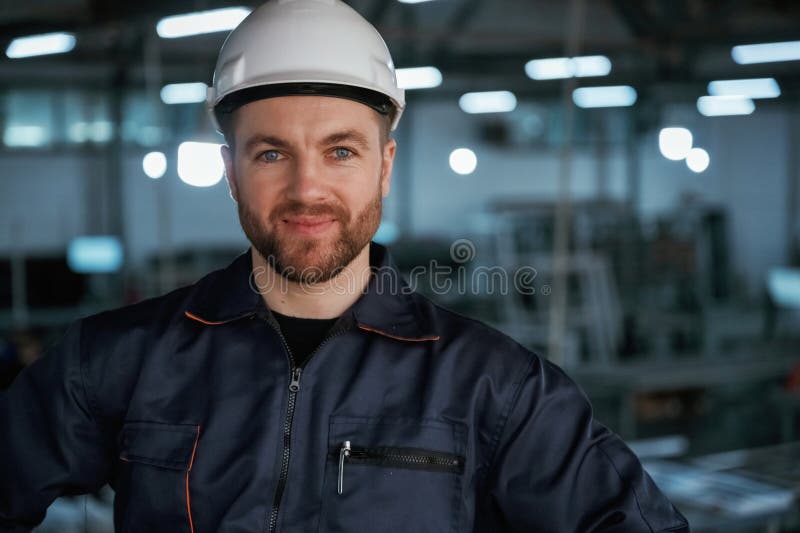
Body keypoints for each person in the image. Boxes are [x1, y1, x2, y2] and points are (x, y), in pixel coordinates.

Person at [0, 1, 691, 531]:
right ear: (231, 171)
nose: (307, 189)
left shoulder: (497, 389)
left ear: (384, 167)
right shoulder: (117, 361)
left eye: (340, 151)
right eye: (271, 153)